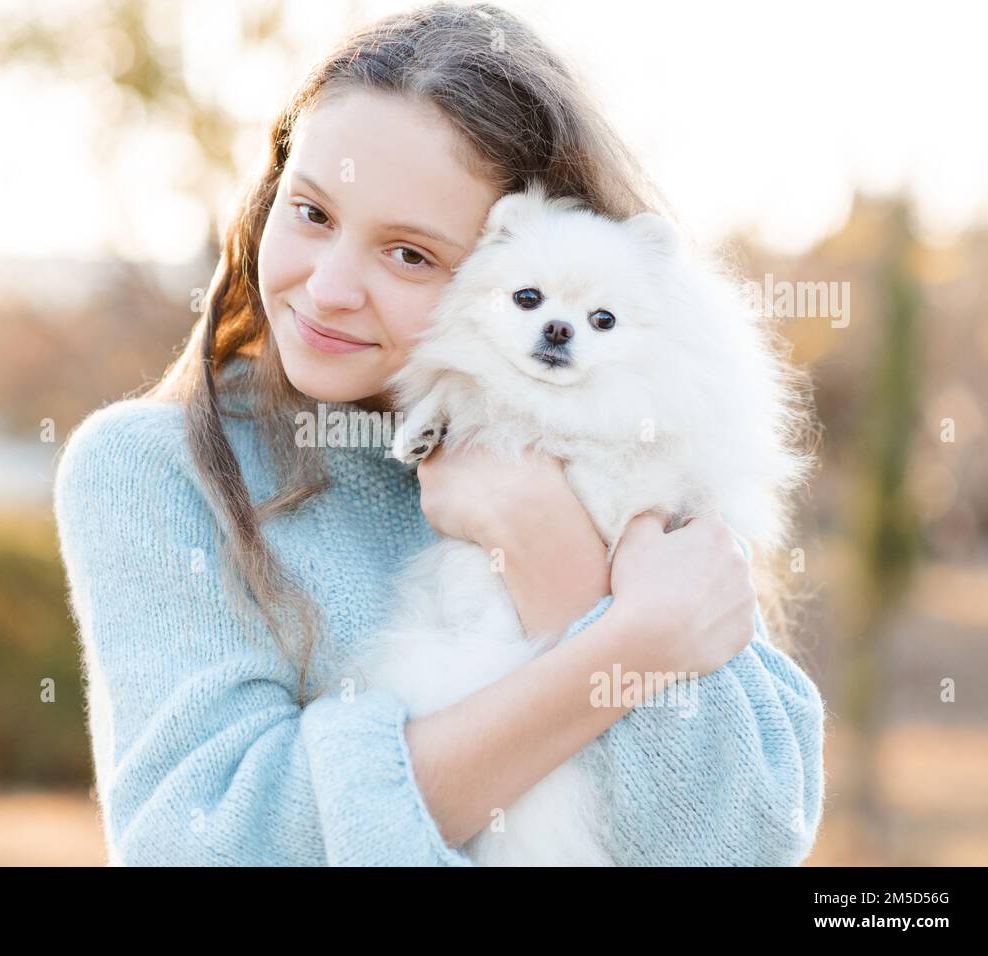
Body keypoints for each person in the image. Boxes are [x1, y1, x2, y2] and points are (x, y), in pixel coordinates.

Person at [54, 1, 826, 866]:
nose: (333, 286)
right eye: (311, 212)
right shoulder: (156, 470)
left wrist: (558, 559)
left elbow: (744, 841)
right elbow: (205, 846)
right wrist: (624, 645)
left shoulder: (639, 464)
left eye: (410, 254)